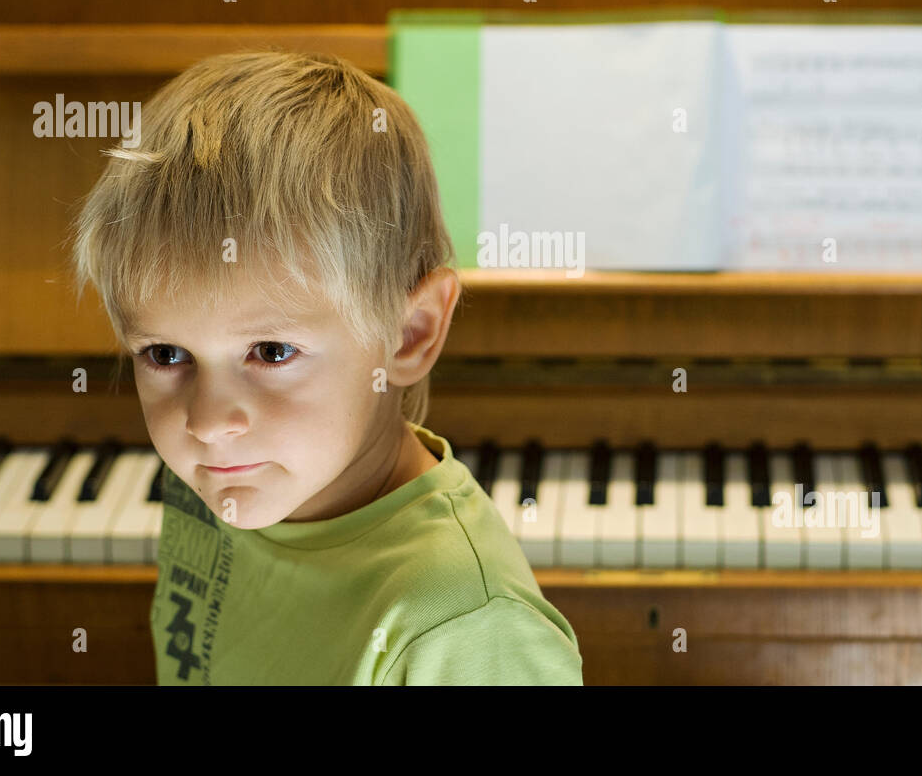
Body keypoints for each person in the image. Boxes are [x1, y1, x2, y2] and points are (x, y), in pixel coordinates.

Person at [68, 51, 583, 684]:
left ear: (409, 333)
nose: (207, 422)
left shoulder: (467, 630)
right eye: (166, 355)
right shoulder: (222, 480)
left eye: (272, 352)